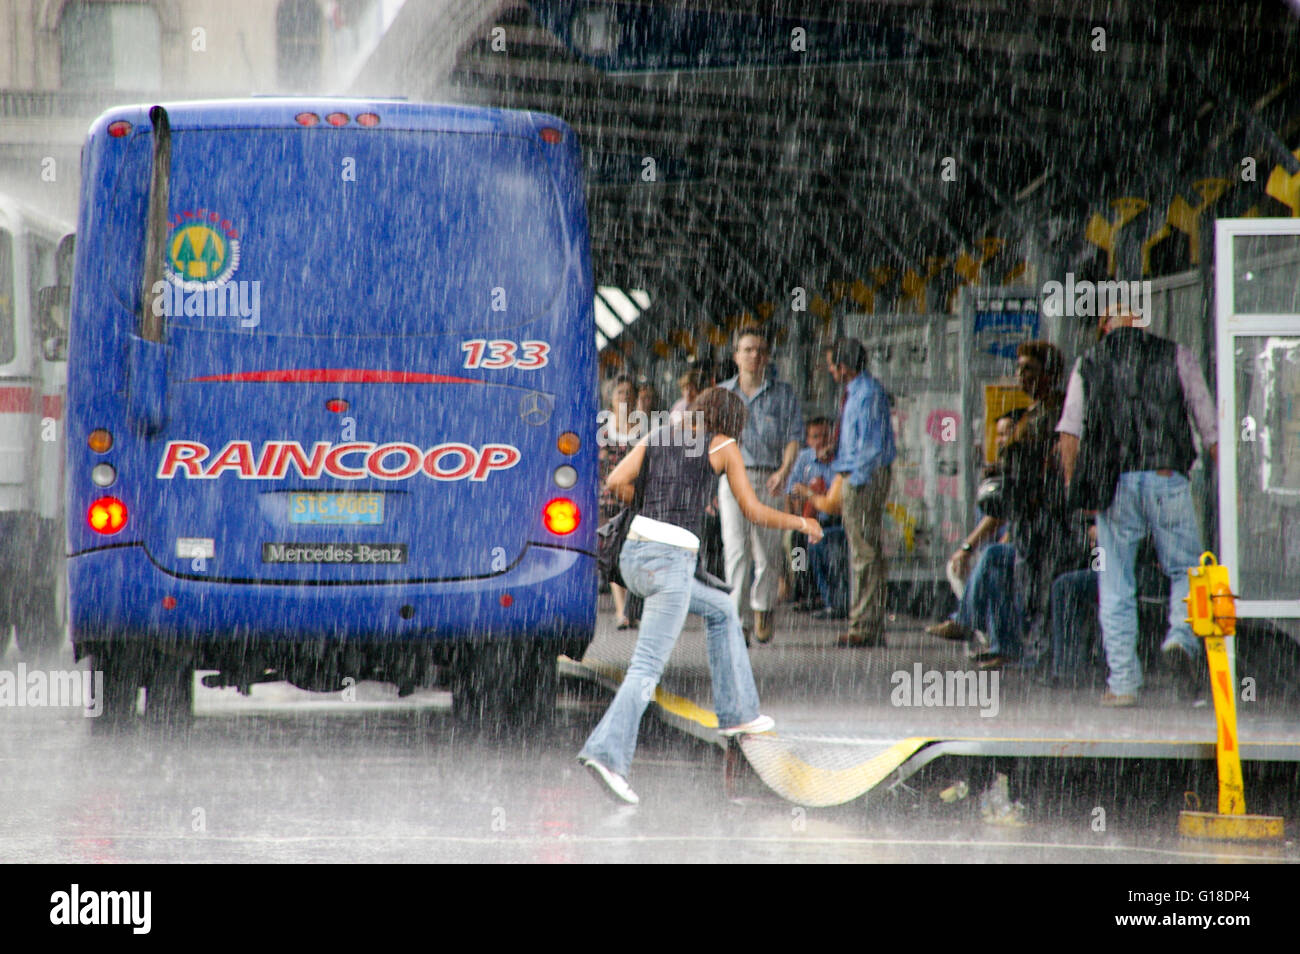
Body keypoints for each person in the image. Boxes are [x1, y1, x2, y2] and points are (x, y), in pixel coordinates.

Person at [578, 388, 822, 804]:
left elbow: (616, 482)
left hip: (634, 558)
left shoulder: (658, 434)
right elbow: (753, 511)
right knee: (647, 666)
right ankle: (606, 755)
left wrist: (658, 504)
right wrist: (802, 523)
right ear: (732, 422)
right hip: (670, 563)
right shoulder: (723, 445)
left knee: (723, 608)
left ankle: (738, 714)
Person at [1058, 305, 1218, 707]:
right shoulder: (1175, 354)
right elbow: (1209, 425)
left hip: (1116, 485)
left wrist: (1080, 495)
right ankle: (1181, 636)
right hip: (1168, 476)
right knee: (1187, 568)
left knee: (1116, 583)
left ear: (1105, 326)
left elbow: (1069, 434)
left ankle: (1124, 683)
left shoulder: (1089, 363)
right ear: (1144, 322)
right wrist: (1227, 487)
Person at [718, 327, 804, 644]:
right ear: (736, 356)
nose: (754, 355)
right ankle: (737, 620)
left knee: (768, 554)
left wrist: (785, 470)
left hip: (770, 479)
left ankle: (763, 608)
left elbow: (794, 437)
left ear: (767, 357)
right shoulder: (723, 395)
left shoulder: (783, 395)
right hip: (734, 479)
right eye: (748, 349)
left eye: (760, 350)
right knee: (737, 552)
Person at [825, 337, 895, 647]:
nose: (830, 371)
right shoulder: (861, 392)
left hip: (863, 478)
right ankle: (869, 622)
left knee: (864, 552)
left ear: (843, 367)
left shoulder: (865, 394)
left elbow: (869, 445)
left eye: (832, 365)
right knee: (869, 551)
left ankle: (864, 626)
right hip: (861, 472)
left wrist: (855, 479)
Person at [786, 417, 849, 618]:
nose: (821, 441)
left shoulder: (840, 460)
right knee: (797, 543)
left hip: (834, 521)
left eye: (825, 435)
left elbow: (837, 501)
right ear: (808, 440)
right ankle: (804, 593)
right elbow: (791, 489)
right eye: (815, 437)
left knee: (830, 545)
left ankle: (832, 600)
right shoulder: (805, 459)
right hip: (809, 521)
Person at [598, 375, 640, 629]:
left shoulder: (645, 428)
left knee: (634, 552)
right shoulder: (601, 429)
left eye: (628, 392)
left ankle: (632, 606)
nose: (624, 397)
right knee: (614, 552)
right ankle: (622, 610)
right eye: (620, 393)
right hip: (607, 497)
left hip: (635, 495)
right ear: (611, 399)